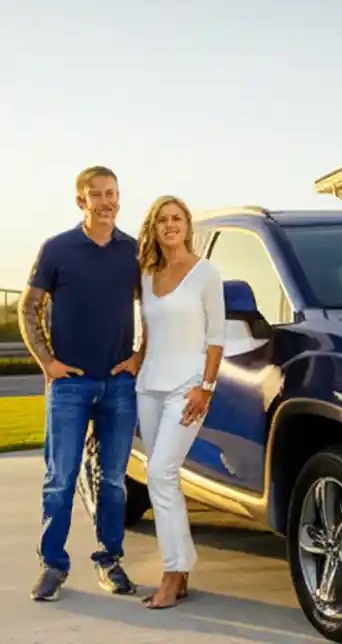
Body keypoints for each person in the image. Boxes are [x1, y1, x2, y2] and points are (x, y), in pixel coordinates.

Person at [19, 165, 142, 602]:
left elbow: (156, 307)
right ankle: (53, 565)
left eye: (113, 193)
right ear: (81, 202)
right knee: (61, 478)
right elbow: (28, 308)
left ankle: (110, 560)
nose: (107, 201)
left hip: (118, 386)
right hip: (69, 387)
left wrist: (138, 357)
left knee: (113, 481)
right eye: (98, 195)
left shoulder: (134, 252)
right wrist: (47, 362)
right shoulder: (57, 250)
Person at [132, 195, 225, 609]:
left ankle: (172, 574)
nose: (170, 225)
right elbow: (150, 332)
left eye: (177, 219)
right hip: (148, 386)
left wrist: (206, 387)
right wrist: (135, 359)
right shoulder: (147, 274)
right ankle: (181, 568)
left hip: (187, 389)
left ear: (188, 226)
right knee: (162, 479)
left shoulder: (206, 273)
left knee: (160, 474)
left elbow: (216, 338)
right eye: (162, 220)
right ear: (154, 229)